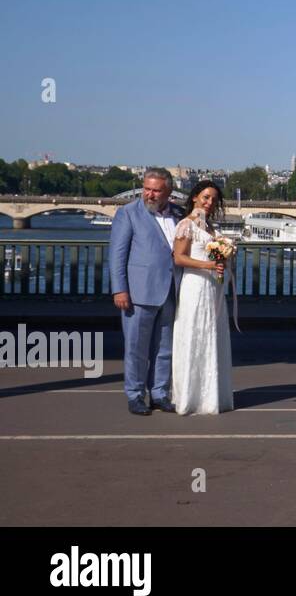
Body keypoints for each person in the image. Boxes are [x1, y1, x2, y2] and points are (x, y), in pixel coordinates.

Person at [109, 168, 183, 415]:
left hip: (171, 291)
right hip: (138, 293)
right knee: (136, 349)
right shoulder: (128, 213)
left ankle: (160, 393)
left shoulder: (179, 215)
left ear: (169, 192)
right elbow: (117, 256)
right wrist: (119, 289)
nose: (150, 194)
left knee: (164, 349)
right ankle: (135, 395)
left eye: (156, 190)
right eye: (147, 189)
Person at [170, 180, 235, 415]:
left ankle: (210, 395)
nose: (209, 203)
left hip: (212, 289)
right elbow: (178, 257)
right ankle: (190, 396)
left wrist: (222, 262)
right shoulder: (186, 225)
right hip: (195, 287)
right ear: (195, 197)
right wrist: (209, 264)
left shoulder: (209, 228)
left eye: (214, 200)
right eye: (206, 197)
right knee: (195, 334)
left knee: (211, 336)